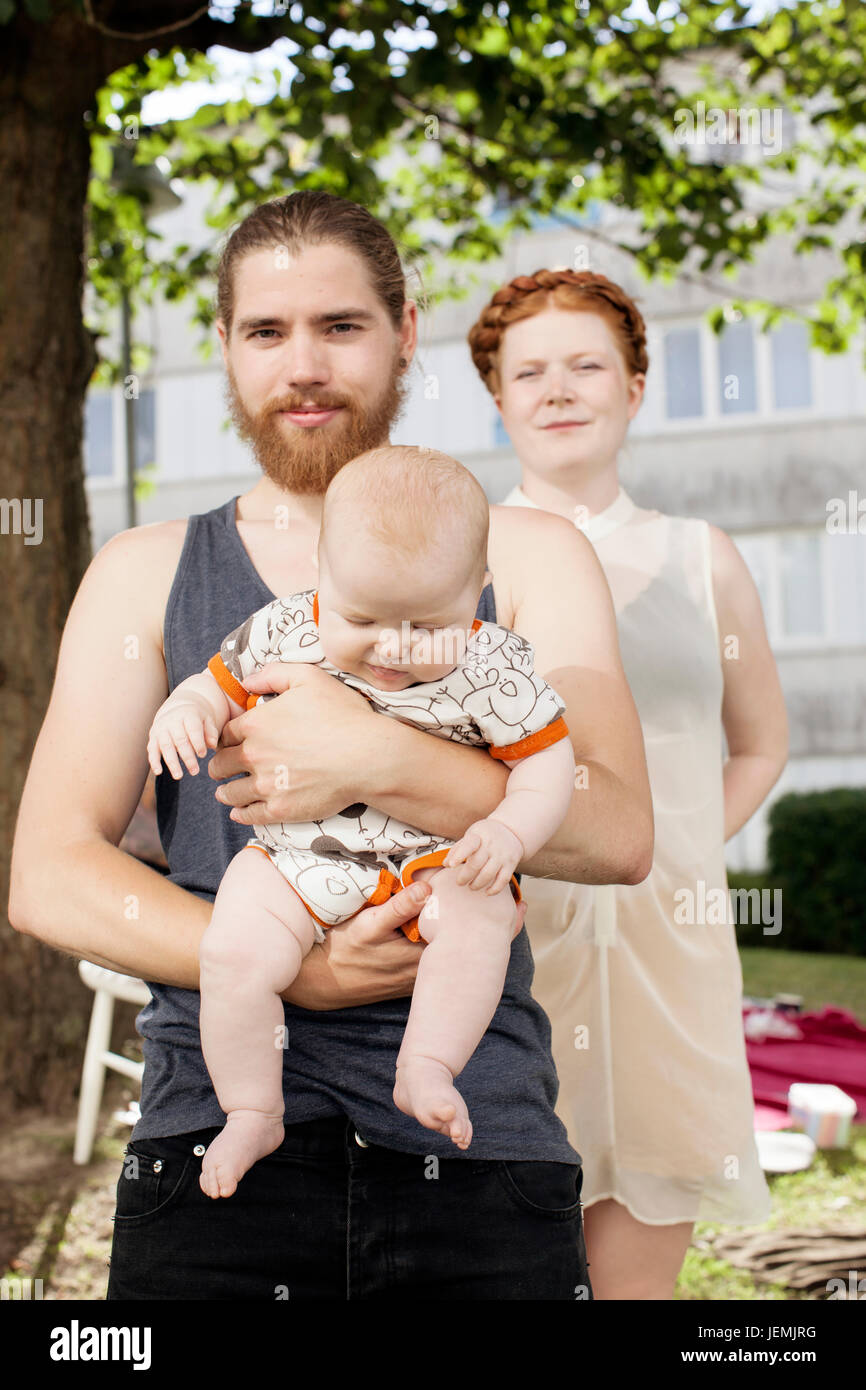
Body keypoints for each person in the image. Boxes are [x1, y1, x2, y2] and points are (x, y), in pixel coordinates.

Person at [9, 194, 653, 1301]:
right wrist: (296, 971)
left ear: (406, 330)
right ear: (222, 348)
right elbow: (48, 874)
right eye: (266, 331)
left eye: (340, 326)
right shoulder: (146, 569)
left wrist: (372, 757)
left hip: (474, 1137)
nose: (302, 364)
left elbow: (613, 829)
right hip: (212, 1135)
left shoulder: (530, 553)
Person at [467, 267, 788, 1299]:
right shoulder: (457, 556)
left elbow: (758, 745)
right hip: (508, 954)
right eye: (529, 371)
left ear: (634, 386)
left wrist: (675, 849)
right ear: (498, 396)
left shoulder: (704, 558)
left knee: (635, 1286)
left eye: (584, 365)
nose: (556, 389)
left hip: (668, 960)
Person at [147, 443, 575, 1192]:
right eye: (363, 617)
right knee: (232, 952)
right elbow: (214, 685)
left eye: (424, 626)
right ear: (321, 573)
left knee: (478, 923)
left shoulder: (494, 666)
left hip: (436, 861)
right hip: (296, 861)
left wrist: (509, 831)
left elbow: (547, 764)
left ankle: (427, 1066)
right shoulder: (286, 628)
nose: (390, 648)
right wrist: (187, 709)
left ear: (477, 590)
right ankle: (251, 1108)